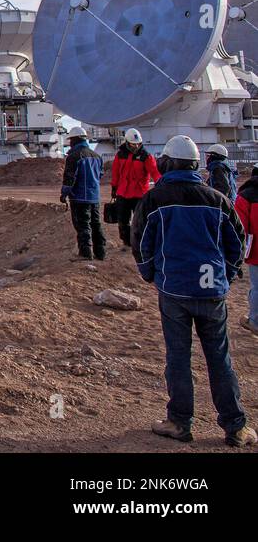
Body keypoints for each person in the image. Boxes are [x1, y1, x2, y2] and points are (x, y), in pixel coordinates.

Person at [132, 135, 256, 447]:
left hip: (174, 290)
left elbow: (141, 241)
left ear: (168, 163)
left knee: (178, 357)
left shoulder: (155, 199)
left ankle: (179, 422)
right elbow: (236, 242)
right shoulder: (217, 199)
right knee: (219, 358)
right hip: (211, 290)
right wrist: (224, 275)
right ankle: (236, 427)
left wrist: (150, 273)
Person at [110, 128, 160, 249]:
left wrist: (161, 184)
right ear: (127, 142)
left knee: (140, 221)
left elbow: (155, 172)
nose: (136, 146)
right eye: (133, 144)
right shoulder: (121, 155)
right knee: (123, 221)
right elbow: (116, 172)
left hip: (139, 194)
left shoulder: (146, 156)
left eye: (138, 144)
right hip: (123, 193)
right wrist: (114, 187)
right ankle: (127, 243)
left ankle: (140, 243)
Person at [61, 126, 105, 259]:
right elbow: (100, 174)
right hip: (94, 197)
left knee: (83, 225)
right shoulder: (96, 156)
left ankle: (85, 253)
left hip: (79, 197)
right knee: (96, 225)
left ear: (74, 139)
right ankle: (101, 253)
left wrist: (64, 193)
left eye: (70, 140)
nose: (69, 143)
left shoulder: (74, 156)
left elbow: (69, 177)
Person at [236, 165, 258, 335]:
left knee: (257, 287)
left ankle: (255, 321)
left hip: (256, 249)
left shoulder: (245, 196)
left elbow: (239, 227)